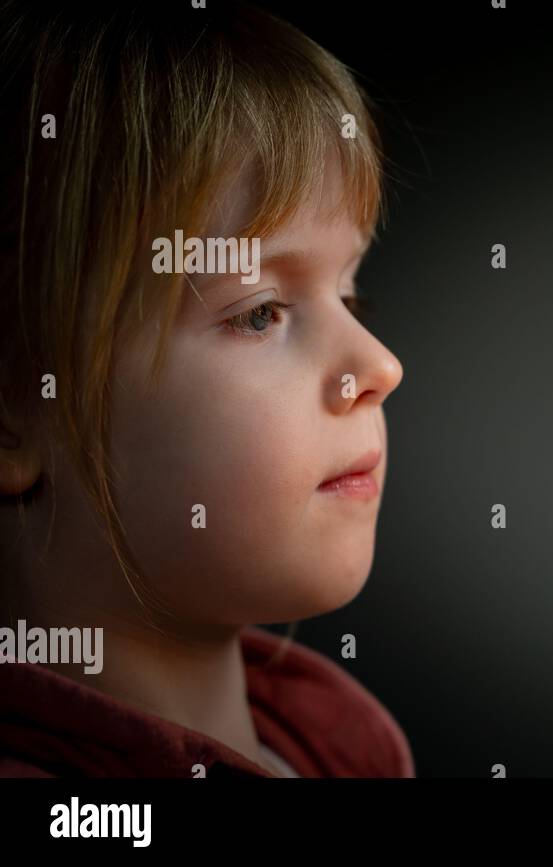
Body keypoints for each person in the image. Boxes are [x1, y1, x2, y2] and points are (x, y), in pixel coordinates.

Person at [0, 1, 413, 777]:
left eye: (350, 297)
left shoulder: (346, 750)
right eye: (259, 312)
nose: (380, 365)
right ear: (17, 411)